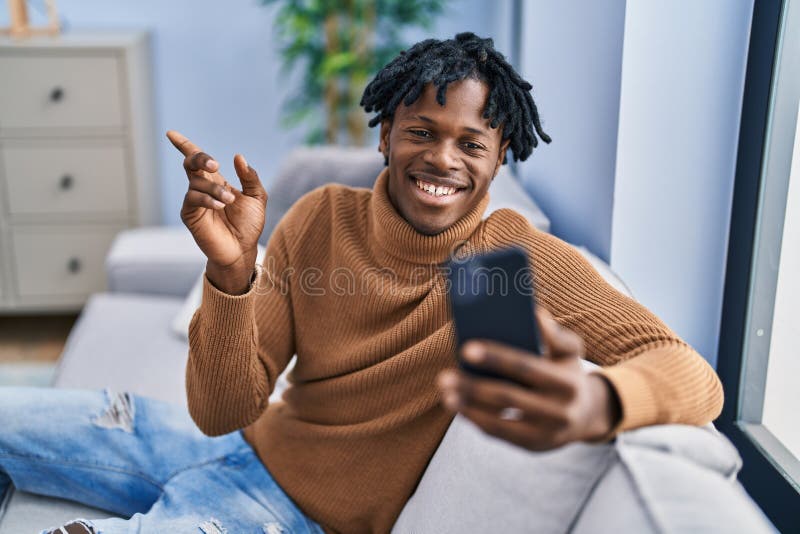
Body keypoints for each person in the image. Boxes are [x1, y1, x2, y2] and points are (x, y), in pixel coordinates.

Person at [0, 32, 733, 533]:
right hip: (233, 446)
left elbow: (690, 373)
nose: (443, 158)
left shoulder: (510, 264)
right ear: (384, 134)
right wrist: (231, 275)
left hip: (283, 513)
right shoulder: (323, 219)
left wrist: (600, 399)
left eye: (471, 142)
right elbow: (223, 409)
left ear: (500, 155)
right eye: (421, 131)